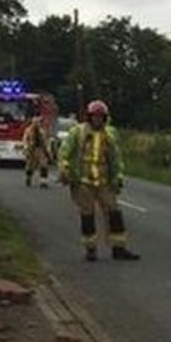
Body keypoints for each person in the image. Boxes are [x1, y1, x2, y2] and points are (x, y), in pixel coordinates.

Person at [58, 100, 140, 261]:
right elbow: (64, 153)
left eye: (101, 117)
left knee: (114, 213)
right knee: (87, 215)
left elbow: (116, 158)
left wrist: (118, 177)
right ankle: (90, 249)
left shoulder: (110, 134)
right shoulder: (77, 132)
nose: (98, 119)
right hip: (83, 181)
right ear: (89, 117)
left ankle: (118, 248)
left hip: (104, 181)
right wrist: (65, 169)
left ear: (105, 118)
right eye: (95, 116)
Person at [22, 116, 51, 188]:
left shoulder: (42, 131)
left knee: (43, 165)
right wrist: (26, 148)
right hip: (31, 149)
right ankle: (28, 178)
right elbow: (25, 140)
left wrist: (48, 150)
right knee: (30, 166)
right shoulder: (28, 130)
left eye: (39, 122)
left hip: (40, 149)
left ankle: (43, 182)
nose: (38, 124)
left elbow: (46, 140)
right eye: (36, 122)